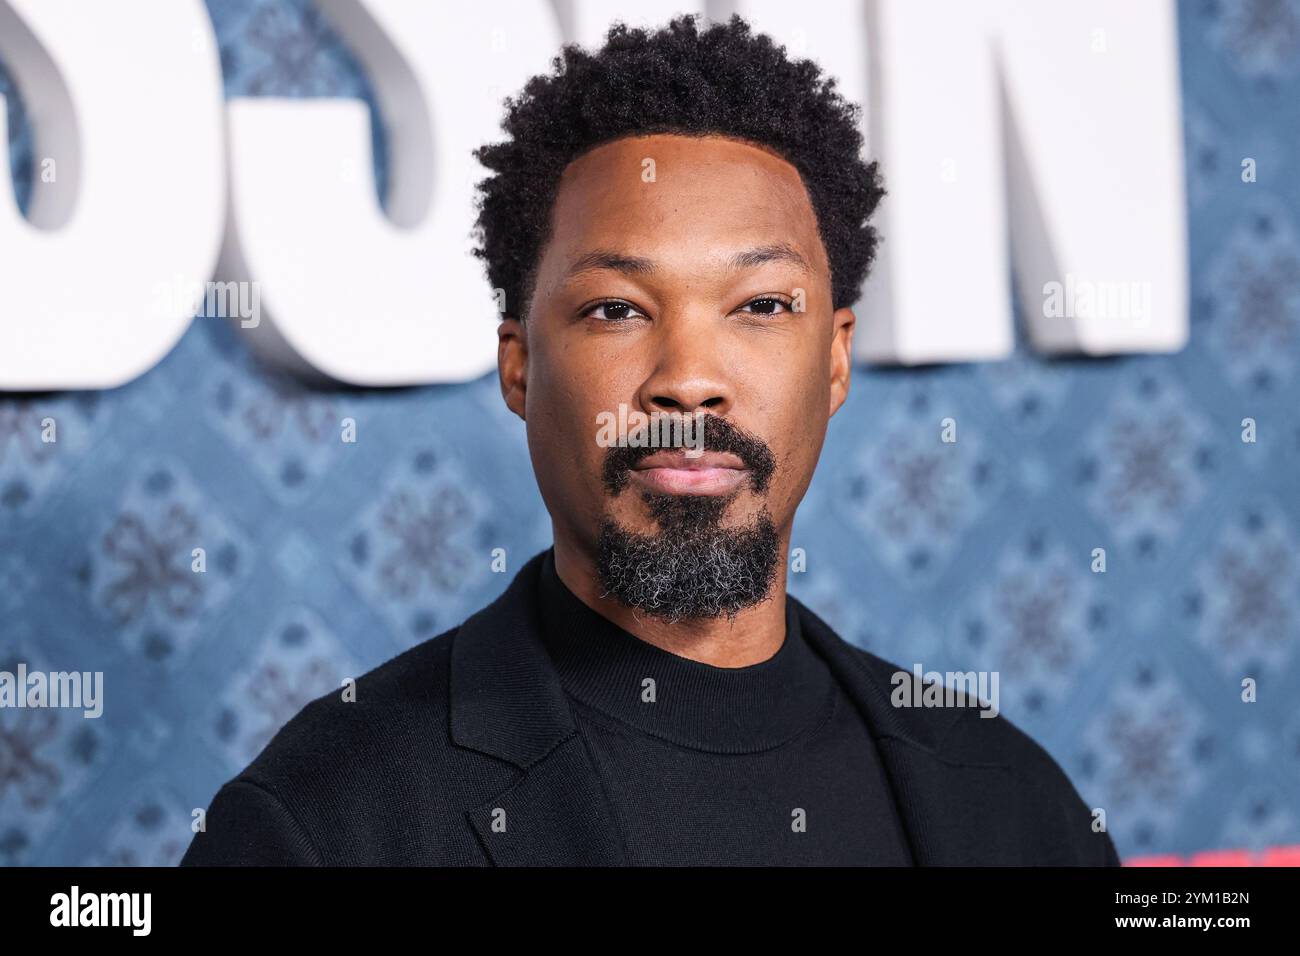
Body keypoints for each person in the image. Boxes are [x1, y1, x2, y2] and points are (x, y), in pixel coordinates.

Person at [181, 13, 1118, 867]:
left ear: (834, 360)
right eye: (616, 308)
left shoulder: (1010, 800)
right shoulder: (325, 822)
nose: (689, 376)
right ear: (519, 367)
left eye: (760, 305)